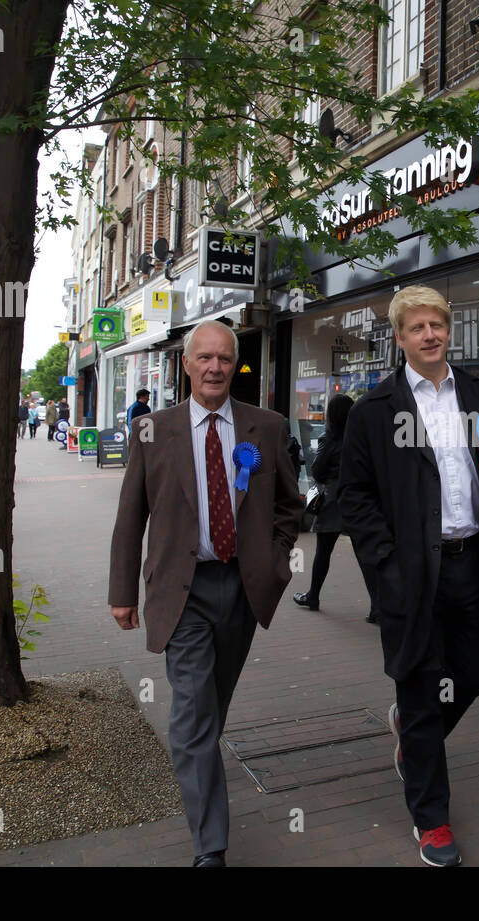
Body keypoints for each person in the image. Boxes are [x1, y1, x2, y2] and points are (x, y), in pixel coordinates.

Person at [340, 285, 479, 866]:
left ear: (449, 331)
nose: (429, 335)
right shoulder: (376, 410)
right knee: (422, 689)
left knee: (474, 672)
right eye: (417, 327)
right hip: (413, 573)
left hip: (473, 563)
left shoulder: (478, 395)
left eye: (437, 325)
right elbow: (354, 496)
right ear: (399, 338)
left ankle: (412, 736)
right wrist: (388, 565)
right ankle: (432, 819)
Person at [108, 319, 303, 867]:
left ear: (234, 365)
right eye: (205, 358)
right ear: (187, 365)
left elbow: (290, 505)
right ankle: (210, 848)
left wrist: (274, 564)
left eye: (225, 359)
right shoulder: (152, 430)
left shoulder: (265, 426)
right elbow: (130, 519)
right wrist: (122, 591)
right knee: (192, 715)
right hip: (183, 592)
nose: (215, 368)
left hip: (242, 589)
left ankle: (201, 782)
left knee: (210, 711)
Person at [293, 395, 380, 622]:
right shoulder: (363, 438)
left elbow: (319, 470)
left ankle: (313, 596)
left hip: (332, 500)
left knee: (323, 551)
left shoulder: (328, 439)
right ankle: (378, 607)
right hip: (358, 499)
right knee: (364, 554)